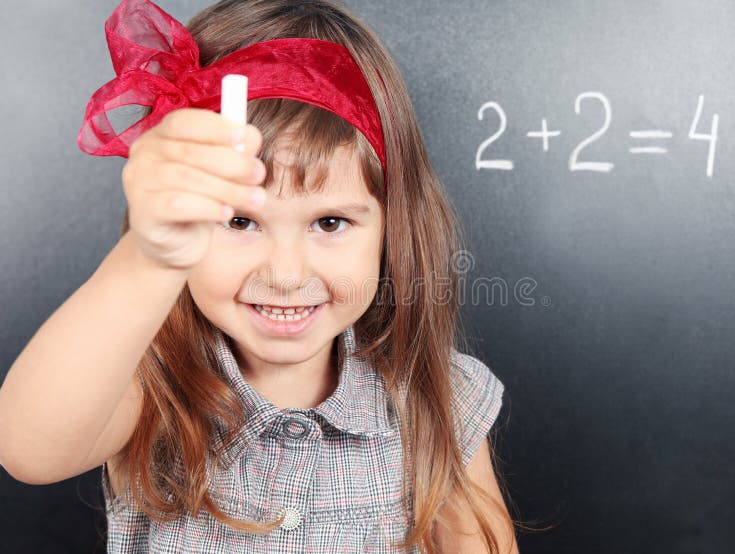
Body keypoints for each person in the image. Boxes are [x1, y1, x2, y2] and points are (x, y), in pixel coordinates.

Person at [0, 0, 520, 552]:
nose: (286, 274)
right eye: (240, 221)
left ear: (392, 225)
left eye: (329, 222)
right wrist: (150, 258)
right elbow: (28, 449)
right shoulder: (148, 385)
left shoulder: (438, 398)